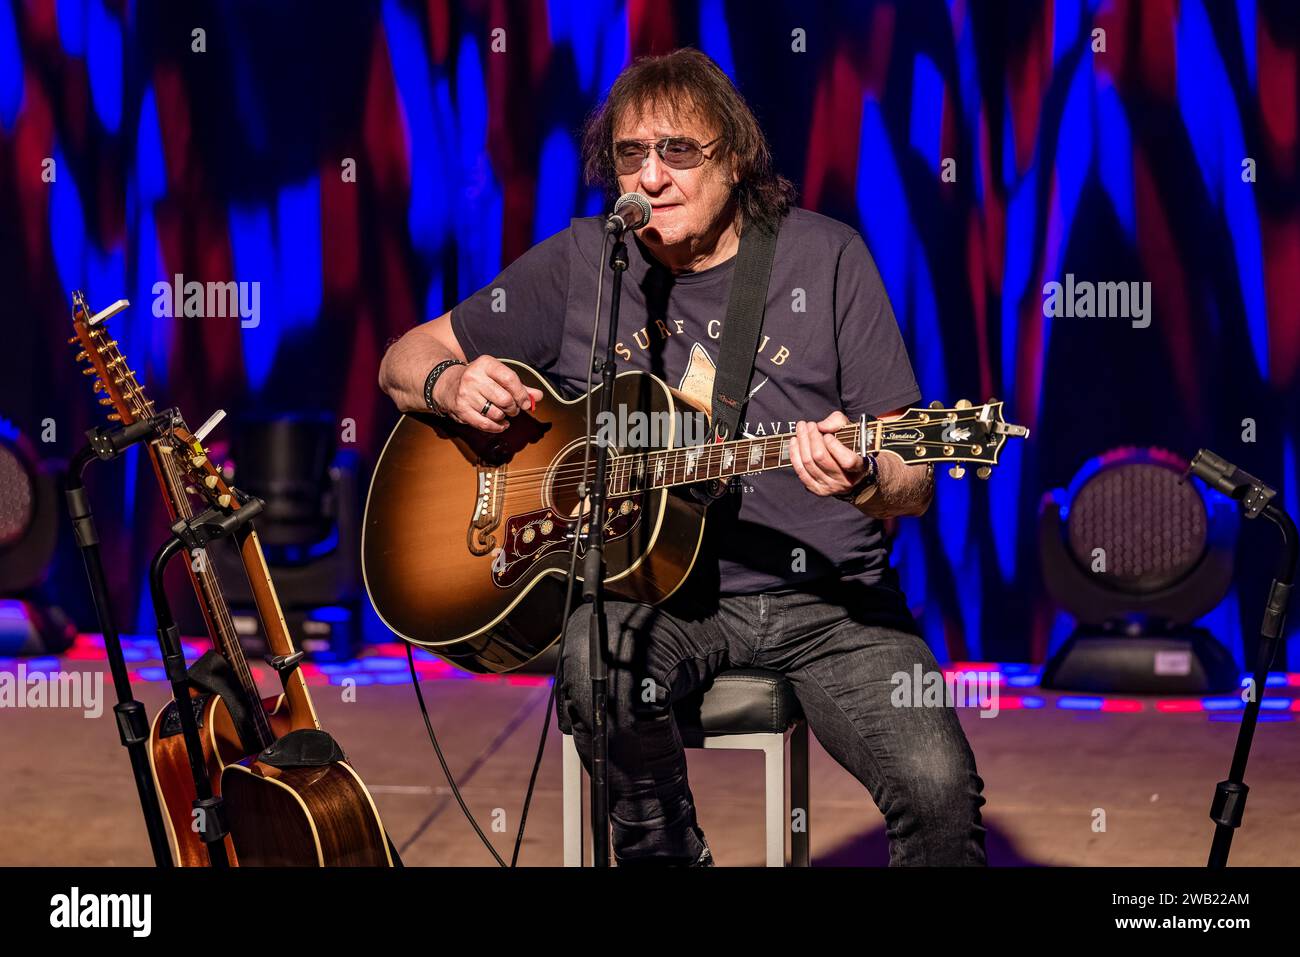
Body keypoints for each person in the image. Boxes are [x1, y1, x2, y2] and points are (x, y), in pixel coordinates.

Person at [379, 47, 986, 866]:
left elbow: (912, 482)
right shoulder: (584, 263)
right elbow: (401, 359)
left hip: (831, 603)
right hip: (660, 591)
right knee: (596, 669)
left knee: (938, 792)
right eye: (632, 155)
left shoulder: (826, 258)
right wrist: (450, 384)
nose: (651, 178)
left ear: (733, 159)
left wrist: (866, 474)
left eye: (678, 152)